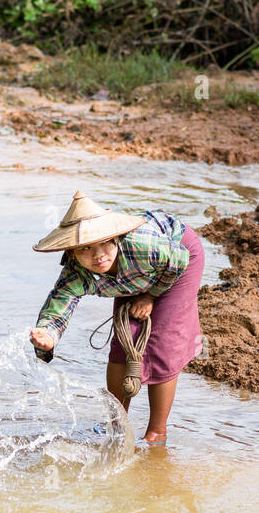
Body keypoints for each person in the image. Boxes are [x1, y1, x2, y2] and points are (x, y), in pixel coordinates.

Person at [29, 191, 205, 445]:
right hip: (133, 274)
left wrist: (151, 296)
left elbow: (178, 259)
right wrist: (49, 335)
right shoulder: (77, 273)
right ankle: (116, 424)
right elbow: (59, 304)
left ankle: (157, 431)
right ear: (72, 254)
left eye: (104, 243)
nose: (98, 255)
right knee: (124, 342)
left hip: (176, 262)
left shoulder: (144, 246)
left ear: (115, 239)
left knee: (163, 344)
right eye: (85, 248)